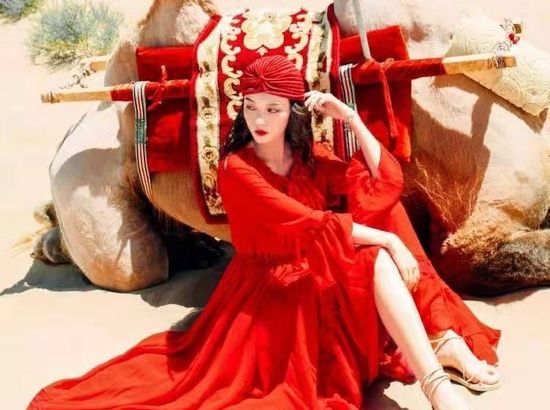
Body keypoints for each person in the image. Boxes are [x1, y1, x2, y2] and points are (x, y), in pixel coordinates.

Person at [28, 55, 500, 410]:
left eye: (273, 109)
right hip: (275, 292)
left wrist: (351, 118)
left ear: (293, 111)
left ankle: (437, 370)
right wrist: (390, 242)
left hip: (319, 270)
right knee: (379, 247)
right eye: (251, 107)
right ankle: (437, 371)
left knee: (384, 213)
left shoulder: (308, 156)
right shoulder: (237, 169)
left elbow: (383, 182)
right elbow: (310, 224)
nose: (258, 120)